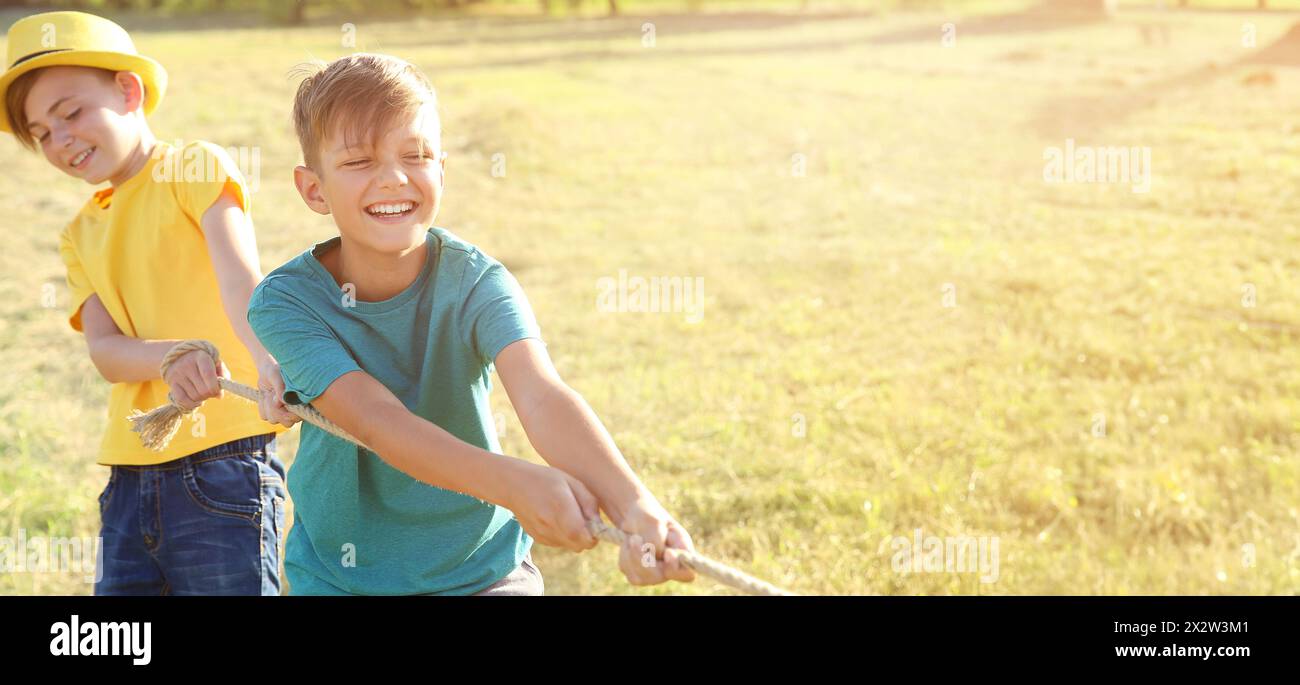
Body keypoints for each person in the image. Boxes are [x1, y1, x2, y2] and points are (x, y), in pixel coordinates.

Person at [246, 53, 698, 595]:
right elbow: (376, 420)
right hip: (345, 580)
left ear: (441, 170)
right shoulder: (286, 302)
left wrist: (636, 507)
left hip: (484, 572)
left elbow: (543, 396)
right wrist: (515, 483)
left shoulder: (476, 281)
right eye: (359, 162)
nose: (393, 178)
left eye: (416, 155)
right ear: (314, 189)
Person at [0, 11, 299, 595]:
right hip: (130, 472)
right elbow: (107, 353)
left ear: (129, 90)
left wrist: (268, 361)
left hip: (224, 459)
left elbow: (242, 282)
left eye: (71, 113)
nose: (60, 140)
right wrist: (170, 356)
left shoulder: (193, 167)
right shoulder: (79, 232)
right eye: (41, 133)